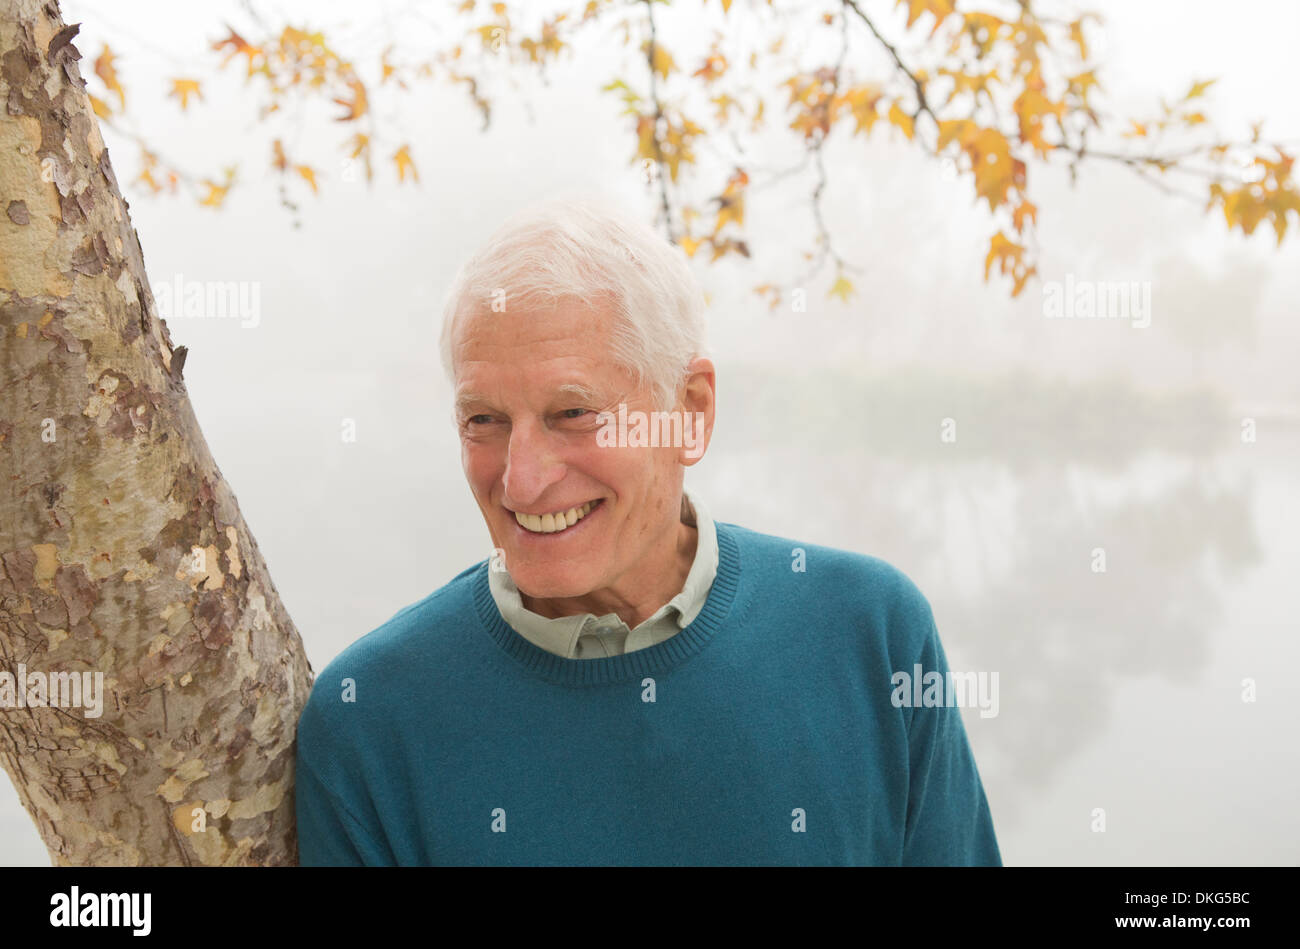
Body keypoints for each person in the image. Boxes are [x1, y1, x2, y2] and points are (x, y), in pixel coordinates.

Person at [294, 196, 1002, 865]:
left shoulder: (870, 634)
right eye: (485, 420)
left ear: (689, 410)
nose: (522, 480)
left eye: (573, 413)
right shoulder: (371, 722)